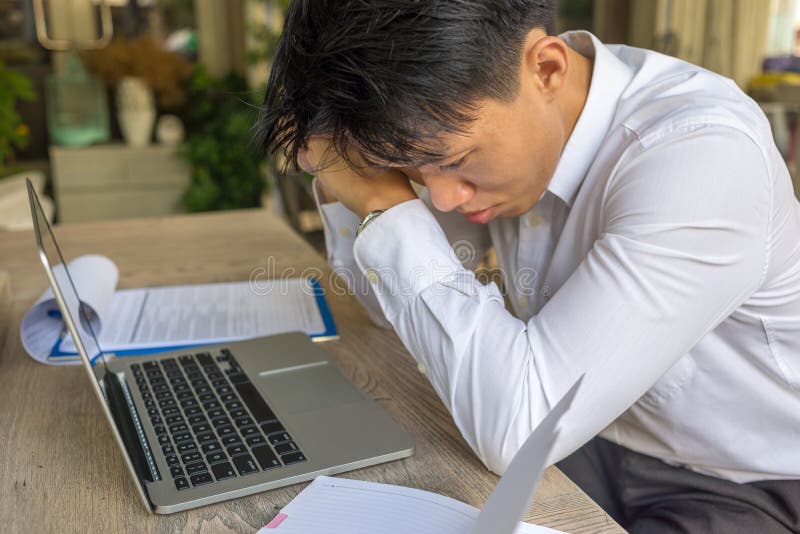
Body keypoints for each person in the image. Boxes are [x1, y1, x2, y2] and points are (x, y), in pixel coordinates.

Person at [256, 1, 800, 532]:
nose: (442, 198)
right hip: (590, 438)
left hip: (744, 478)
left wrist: (383, 204)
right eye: (409, 168)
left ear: (547, 69)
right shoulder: (472, 116)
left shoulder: (701, 155)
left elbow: (522, 431)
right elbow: (386, 310)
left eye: (454, 160)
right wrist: (352, 175)